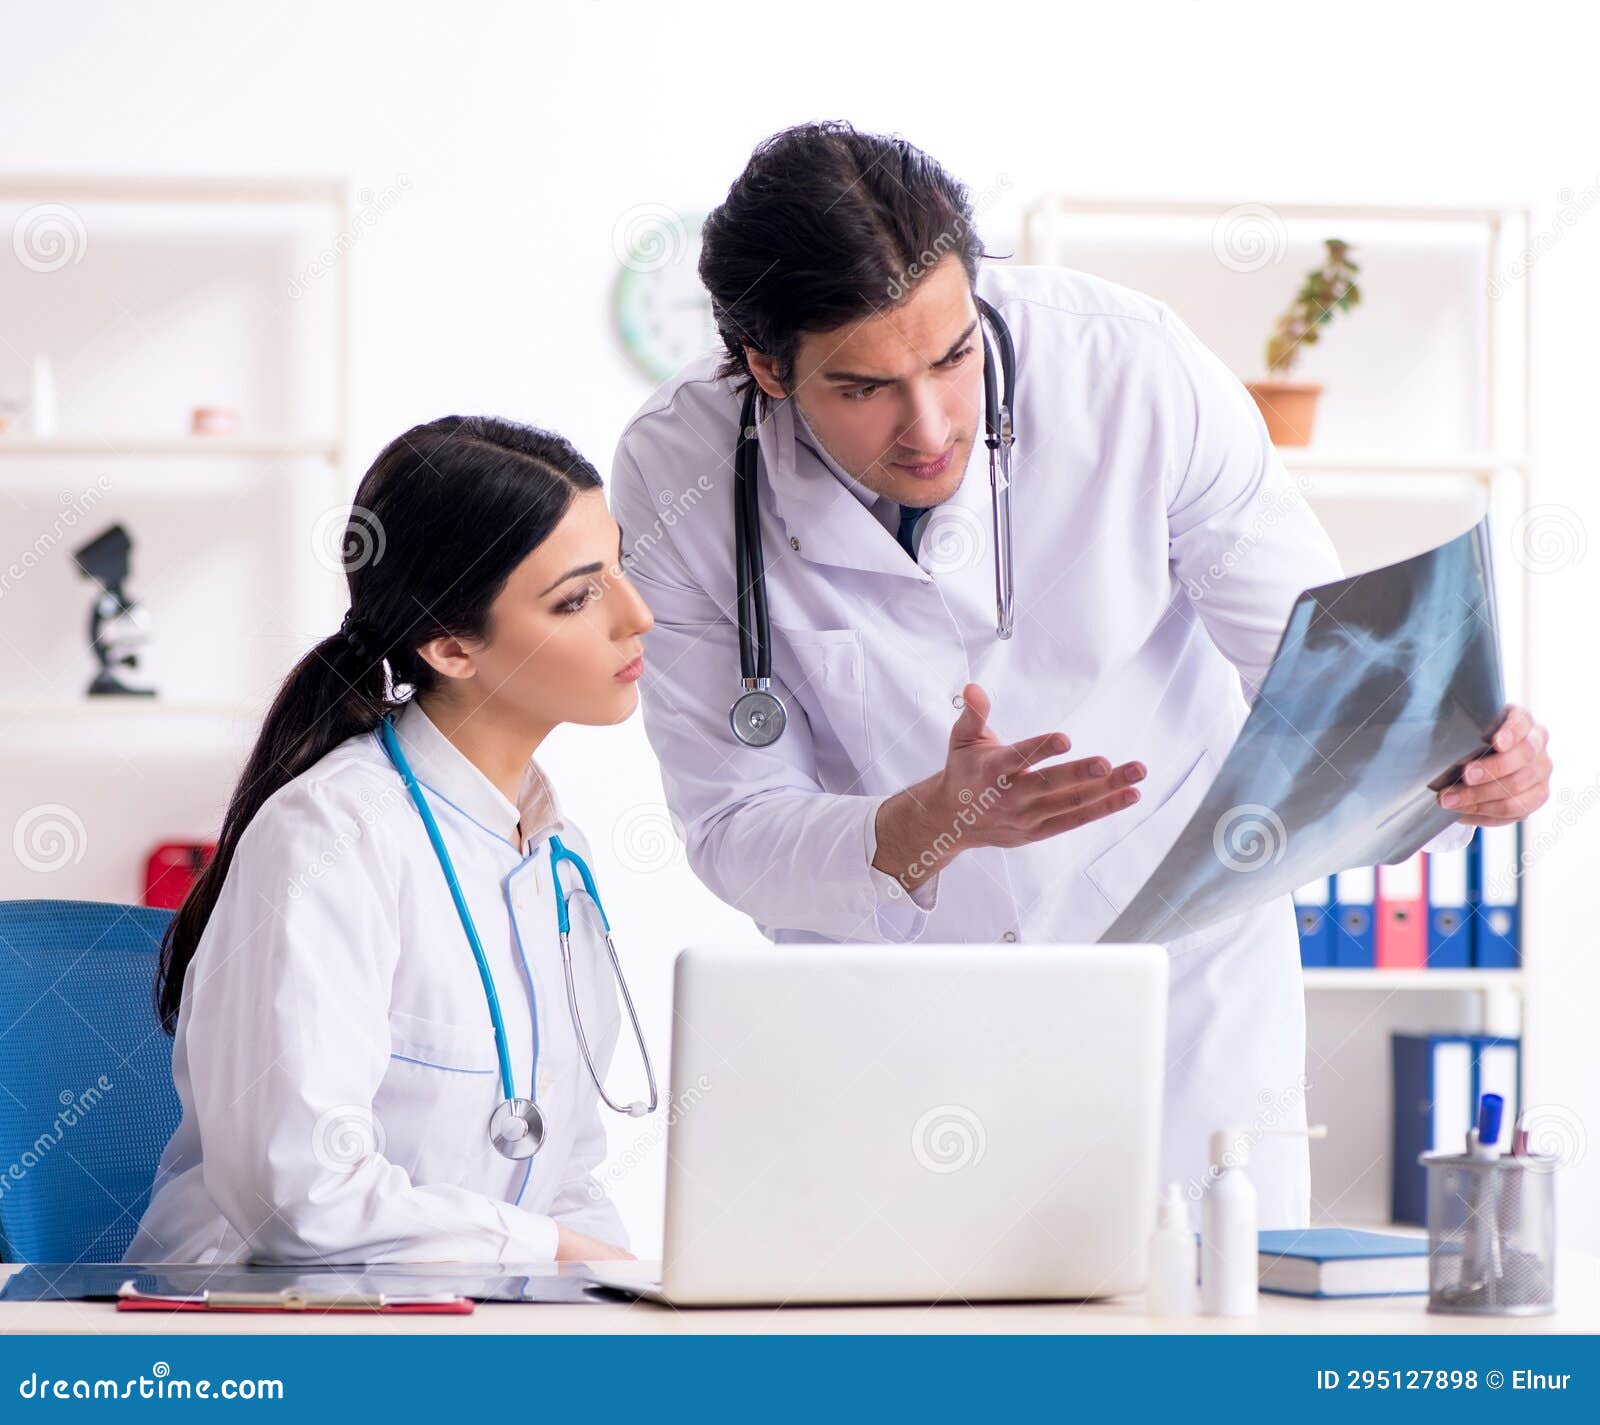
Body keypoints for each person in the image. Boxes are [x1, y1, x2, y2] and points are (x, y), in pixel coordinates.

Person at [607, 123, 1553, 1226]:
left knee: (1199, 1356)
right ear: (767, 368)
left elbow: (1323, 675)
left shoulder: (1130, 370)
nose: (930, 427)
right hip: (891, 1008)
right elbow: (733, 828)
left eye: (953, 356)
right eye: (865, 386)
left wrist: (1463, 772)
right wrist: (923, 825)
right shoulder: (678, 472)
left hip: (1176, 980)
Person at [128, 415, 654, 1264]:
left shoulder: (560, 857)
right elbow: (303, 1201)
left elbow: (567, 1174)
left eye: (620, 568)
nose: (640, 616)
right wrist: (557, 1253)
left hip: (467, 1323)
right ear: (451, 646)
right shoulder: (330, 837)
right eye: (579, 596)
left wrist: (642, 1295)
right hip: (270, 1328)